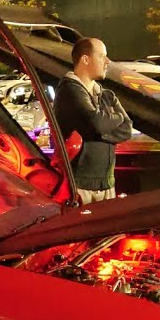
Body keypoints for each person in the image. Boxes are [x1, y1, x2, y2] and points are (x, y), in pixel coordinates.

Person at [53, 37, 133, 204]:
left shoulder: (106, 95)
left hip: (107, 185)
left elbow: (126, 129)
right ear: (85, 59)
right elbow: (97, 123)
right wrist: (112, 119)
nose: (108, 61)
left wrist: (96, 129)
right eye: (102, 56)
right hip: (79, 186)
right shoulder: (70, 91)